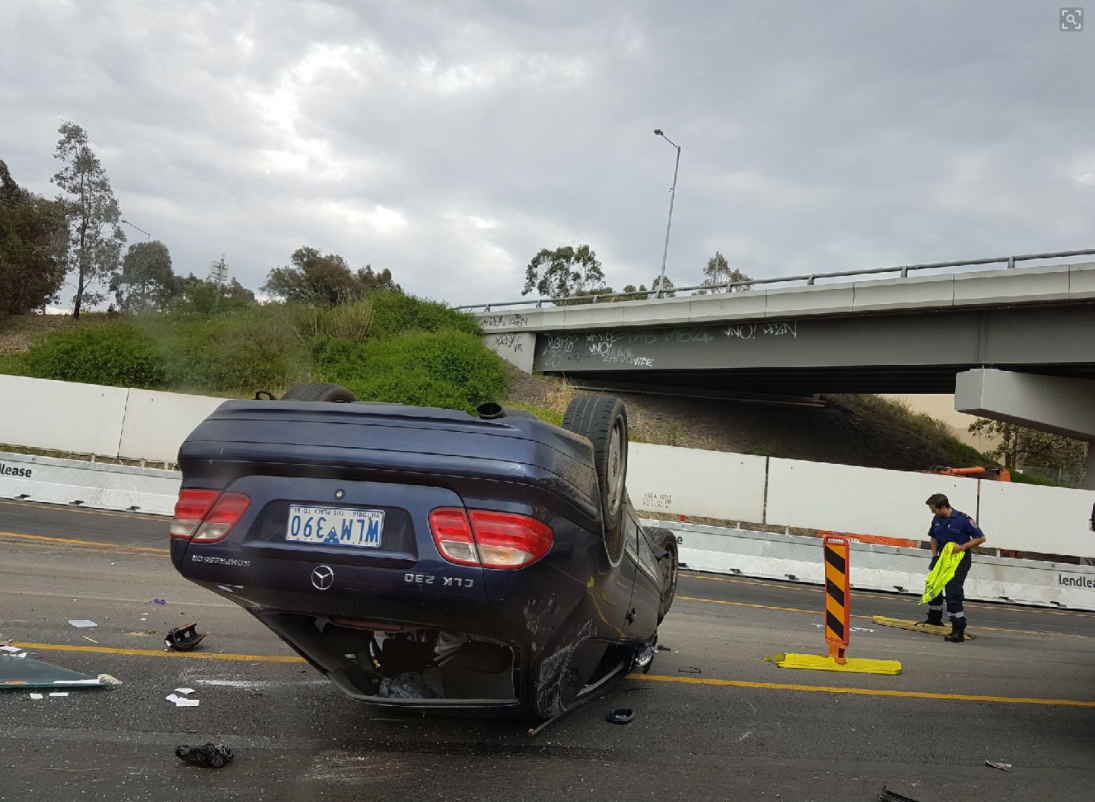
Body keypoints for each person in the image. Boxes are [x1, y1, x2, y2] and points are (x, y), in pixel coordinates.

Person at [923, 493, 987, 643]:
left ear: (943, 507)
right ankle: (934, 619)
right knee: (933, 586)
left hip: (960, 561)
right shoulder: (937, 519)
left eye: (934, 510)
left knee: (953, 591)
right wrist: (934, 557)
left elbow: (981, 538)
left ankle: (958, 628)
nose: (933, 513)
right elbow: (933, 538)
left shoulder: (962, 520)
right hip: (943, 560)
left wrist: (963, 547)